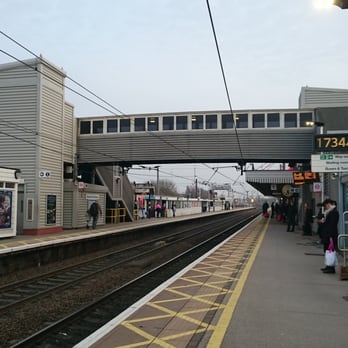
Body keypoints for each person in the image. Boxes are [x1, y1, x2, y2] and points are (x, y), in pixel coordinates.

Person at [320, 199, 339, 274]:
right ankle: (328, 266)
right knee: (327, 251)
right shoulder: (330, 212)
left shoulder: (334, 212)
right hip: (328, 234)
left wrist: (330, 236)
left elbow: (332, 225)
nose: (325, 208)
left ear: (328, 204)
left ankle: (331, 268)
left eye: (325, 206)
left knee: (330, 251)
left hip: (330, 235)